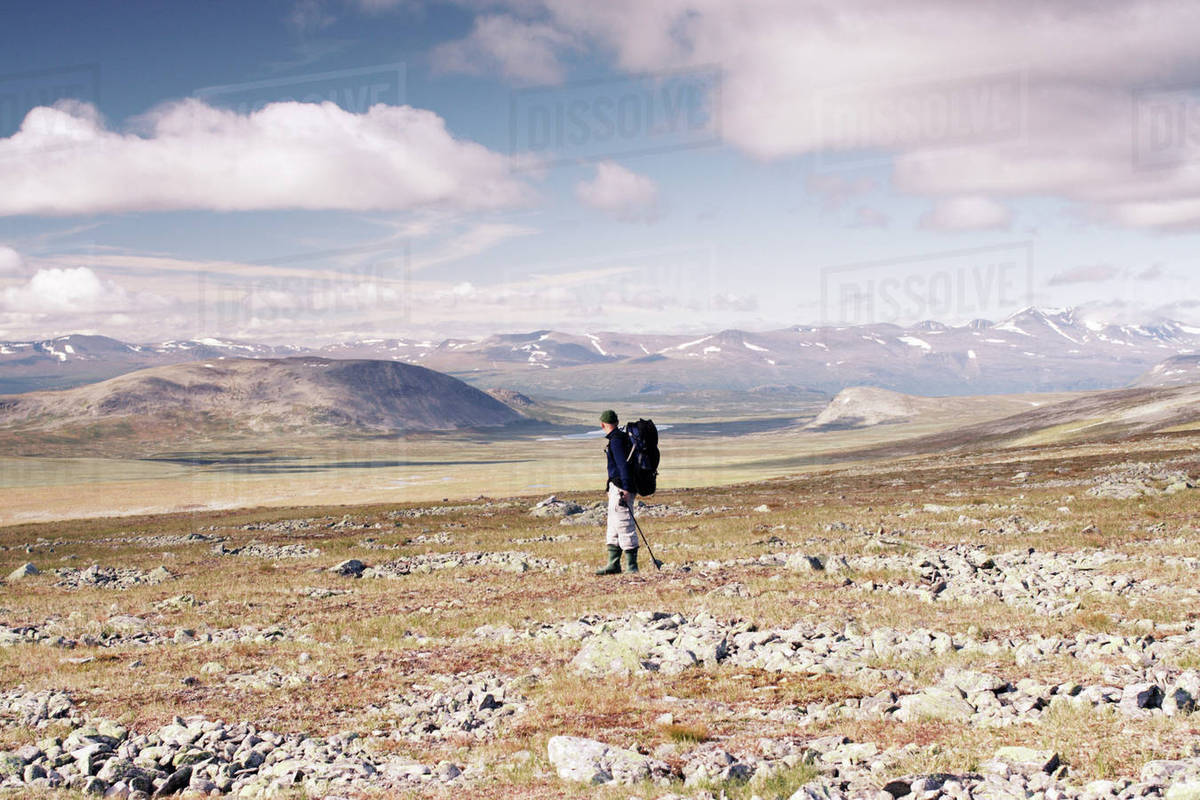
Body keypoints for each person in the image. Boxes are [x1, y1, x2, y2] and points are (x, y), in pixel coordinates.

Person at [596, 409, 639, 574]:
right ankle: (613, 564)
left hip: (622, 487)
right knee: (614, 525)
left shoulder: (616, 441)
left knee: (624, 523)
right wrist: (609, 487)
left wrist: (626, 488)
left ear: (602, 424)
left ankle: (631, 567)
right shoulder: (620, 438)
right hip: (618, 487)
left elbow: (622, 465)